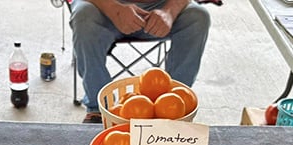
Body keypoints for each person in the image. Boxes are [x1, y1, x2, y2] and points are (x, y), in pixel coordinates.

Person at [69, 0, 211, 123]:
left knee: (198, 17)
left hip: (161, 7)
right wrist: (114, 9)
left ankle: (174, 107)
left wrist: (169, 12)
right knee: (84, 16)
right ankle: (99, 109)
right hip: (102, 7)